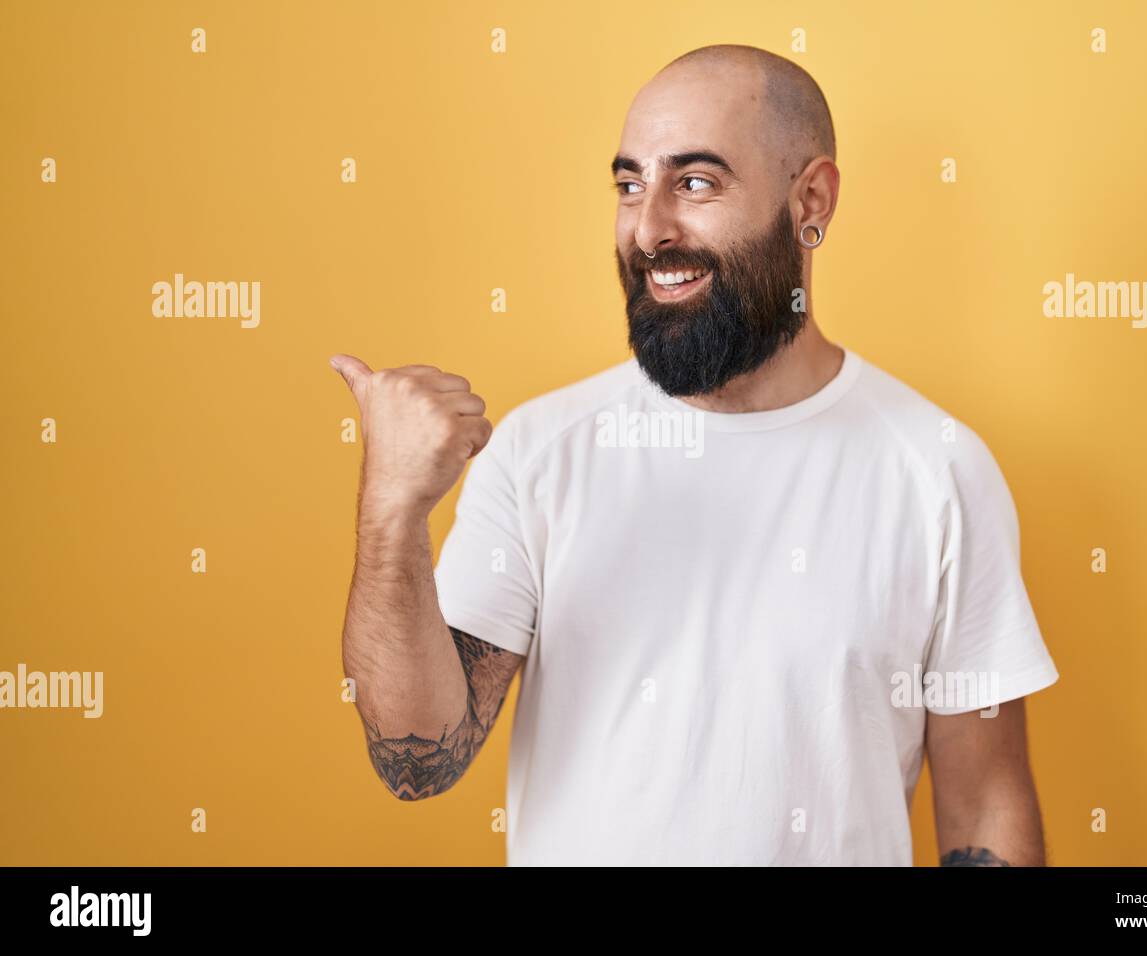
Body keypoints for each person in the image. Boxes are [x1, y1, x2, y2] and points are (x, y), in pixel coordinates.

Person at [330, 43, 1060, 866]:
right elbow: (418, 758)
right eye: (630, 184)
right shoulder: (540, 453)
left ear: (810, 200)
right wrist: (392, 515)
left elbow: (985, 802)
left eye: (697, 182)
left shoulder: (939, 470)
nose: (648, 229)